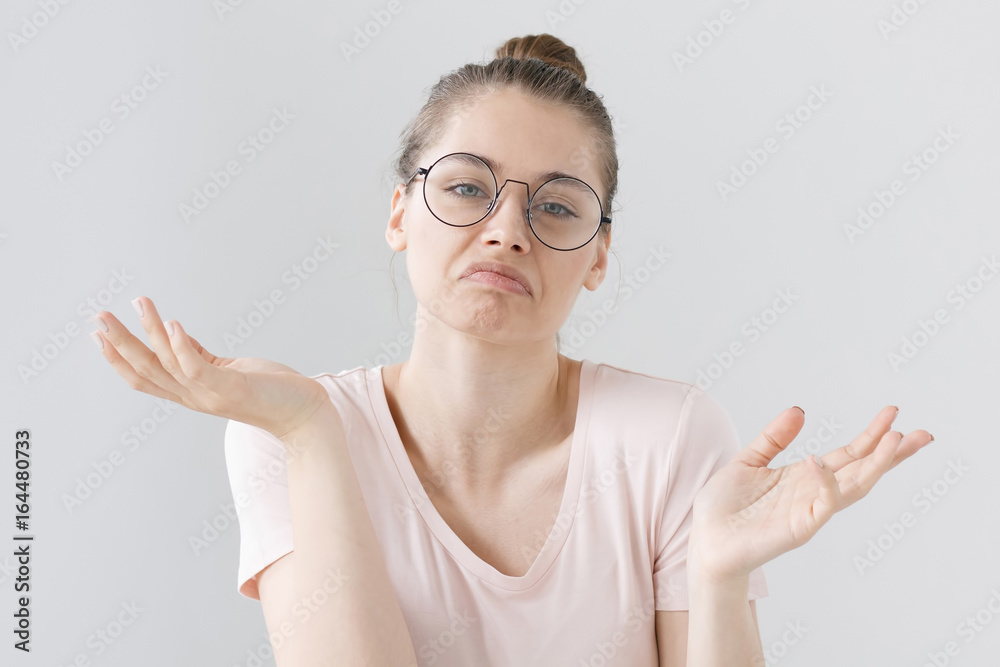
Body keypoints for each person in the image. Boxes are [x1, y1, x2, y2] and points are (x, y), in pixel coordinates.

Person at [90, 33, 934, 667]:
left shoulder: (669, 433)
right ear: (399, 213)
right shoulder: (283, 430)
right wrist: (311, 430)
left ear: (598, 256)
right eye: (467, 187)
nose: (506, 231)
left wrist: (713, 577)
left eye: (556, 207)